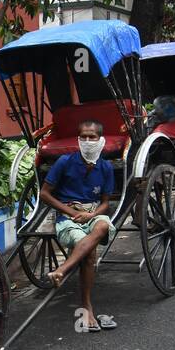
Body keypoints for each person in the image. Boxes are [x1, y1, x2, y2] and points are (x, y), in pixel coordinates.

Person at [39, 120, 117, 333]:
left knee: (101, 227)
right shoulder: (65, 162)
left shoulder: (106, 167)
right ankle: (86, 305)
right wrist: (73, 213)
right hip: (69, 217)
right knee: (89, 253)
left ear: (100, 140)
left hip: (92, 215)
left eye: (92, 137)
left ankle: (62, 270)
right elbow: (44, 194)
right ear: (78, 139)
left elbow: (105, 203)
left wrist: (90, 215)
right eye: (83, 137)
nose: (87, 141)